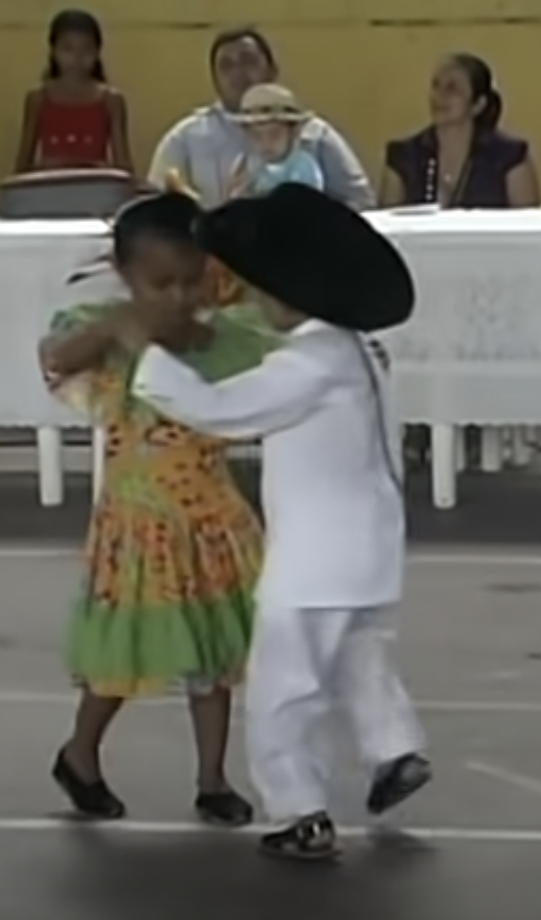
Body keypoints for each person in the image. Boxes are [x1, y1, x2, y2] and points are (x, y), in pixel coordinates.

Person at [125, 183, 430, 860]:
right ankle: (396, 749)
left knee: (283, 688)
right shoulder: (360, 349)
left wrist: (146, 354)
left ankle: (301, 811)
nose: (257, 303)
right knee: (360, 660)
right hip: (373, 552)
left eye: (262, 292)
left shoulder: (309, 363)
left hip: (316, 560)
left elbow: (224, 410)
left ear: (290, 293)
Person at [38, 192, 279, 825]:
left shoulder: (225, 335)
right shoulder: (101, 329)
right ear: (126, 275)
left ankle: (211, 779)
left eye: (190, 279)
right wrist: (120, 324)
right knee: (118, 659)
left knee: (213, 658)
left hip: (210, 524)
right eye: (159, 283)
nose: (177, 296)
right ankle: (80, 754)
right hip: (137, 526)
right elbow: (58, 359)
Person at [148, 27, 372, 210]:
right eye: (226, 66)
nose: (238, 73)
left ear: (272, 71)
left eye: (248, 61)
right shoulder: (185, 139)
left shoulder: (314, 134)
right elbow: (154, 208)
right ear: (215, 80)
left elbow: (360, 200)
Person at [380, 53, 541, 208]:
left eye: (452, 88)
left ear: (478, 105)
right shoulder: (403, 156)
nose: (439, 96)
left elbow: (529, 227)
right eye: (436, 85)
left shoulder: (510, 157)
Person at [15, 8, 133, 173]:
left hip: (95, 188)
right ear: (54, 51)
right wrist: (50, 166)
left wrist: (94, 168)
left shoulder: (111, 100)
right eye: (68, 49)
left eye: (87, 50)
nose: (77, 58)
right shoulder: (38, 99)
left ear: (97, 53)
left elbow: (124, 169)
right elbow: (22, 168)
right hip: (50, 189)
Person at [228, 83, 324, 195]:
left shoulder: (303, 167)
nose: (266, 143)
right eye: (257, 137)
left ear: (293, 132)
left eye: (274, 135)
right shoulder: (247, 165)